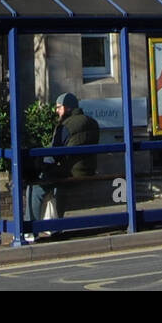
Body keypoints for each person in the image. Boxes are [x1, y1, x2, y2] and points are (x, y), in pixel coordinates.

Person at [25, 92, 101, 239]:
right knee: (54, 184)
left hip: (71, 172)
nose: (56, 111)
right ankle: (54, 227)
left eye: (58, 107)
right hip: (88, 171)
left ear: (66, 108)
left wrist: (40, 159)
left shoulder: (66, 126)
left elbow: (55, 154)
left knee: (35, 187)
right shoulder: (92, 122)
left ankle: (29, 230)